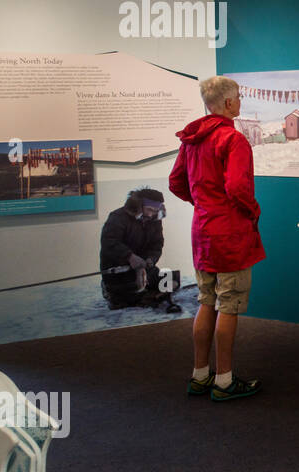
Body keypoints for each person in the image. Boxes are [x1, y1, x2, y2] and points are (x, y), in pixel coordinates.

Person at [169, 76, 265, 401]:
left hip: (203, 230)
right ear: (227, 103)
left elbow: (176, 182)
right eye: (238, 97)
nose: (241, 102)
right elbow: (238, 187)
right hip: (229, 233)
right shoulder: (232, 140)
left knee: (206, 300)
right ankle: (224, 380)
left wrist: (203, 204)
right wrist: (252, 210)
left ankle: (200, 375)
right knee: (230, 304)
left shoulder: (192, 139)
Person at [99, 188, 181, 312]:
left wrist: (150, 259)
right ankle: (133, 296)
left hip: (145, 270)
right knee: (128, 297)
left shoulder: (154, 221)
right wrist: (130, 257)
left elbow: (157, 244)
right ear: (139, 205)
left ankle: (148, 295)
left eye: (155, 211)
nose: (150, 214)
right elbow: (109, 243)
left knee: (172, 280)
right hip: (119, 273)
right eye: (149, 209)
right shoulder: (118, 217)